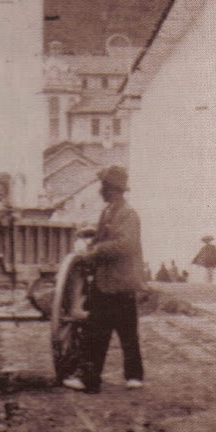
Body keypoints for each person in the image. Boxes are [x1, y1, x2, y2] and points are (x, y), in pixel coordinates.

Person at [63, 165, 145, 393]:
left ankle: (91, 380)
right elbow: (106, 238)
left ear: (111, 189)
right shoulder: (109, 212)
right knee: (126, 331)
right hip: (110, 281)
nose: (101, 190)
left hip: (118, 281)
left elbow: (125, 245)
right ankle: (134, 377)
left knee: (99, 333)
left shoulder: (128, 214)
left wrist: (96, 251)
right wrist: (92, 239)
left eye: (103, 187)